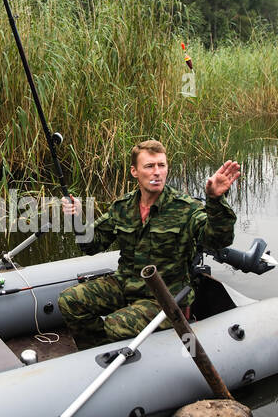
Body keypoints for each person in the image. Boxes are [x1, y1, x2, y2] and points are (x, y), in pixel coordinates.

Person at [58, 139, 241, 348]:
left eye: (161, 165)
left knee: (114, 326)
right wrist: (78, 218)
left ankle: (109, 348)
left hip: (165, 297)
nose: (157, 172)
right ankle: (93, 351)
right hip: (126, 283)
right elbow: (90, 246)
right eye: (149, 166)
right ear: (135, 172)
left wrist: (215, 200)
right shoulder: (123, 207)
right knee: (70, 300)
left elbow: (217, 240)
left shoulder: (185, 208)